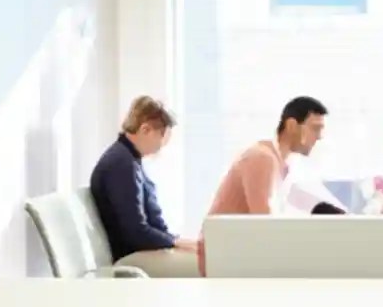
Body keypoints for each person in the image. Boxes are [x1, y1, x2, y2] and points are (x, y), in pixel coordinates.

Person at [197, 96, 328, 275]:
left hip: (237, 252)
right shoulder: (262, 158)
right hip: (225, 258)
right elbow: (265, 224)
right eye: (315, 128)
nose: (320, 137)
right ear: (291, 125)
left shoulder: (281, 164)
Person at [89, 96, 198, 277]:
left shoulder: (128, 159)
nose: (161, 146)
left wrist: (177, 241)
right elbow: (136, 233)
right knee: (205, 265)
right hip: (131, 256)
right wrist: (175, 242)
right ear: (145, 129)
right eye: (161, 137)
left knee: (199, 255)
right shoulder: (122, 164)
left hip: (141, 250)